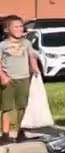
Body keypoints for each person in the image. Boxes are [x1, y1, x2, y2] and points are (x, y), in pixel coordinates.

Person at [0, 14, 40, 144]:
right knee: (6, 107)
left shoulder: (26, 43)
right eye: (16, 26)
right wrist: (2, 76)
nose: (20, 29)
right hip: (8, 79)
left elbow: (31, 58)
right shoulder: (2, 45)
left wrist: (35, 69)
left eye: (21, 26)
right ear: (7, 29)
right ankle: (5, 134)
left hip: (23, 78)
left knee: (22, 107)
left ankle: (20, 132)